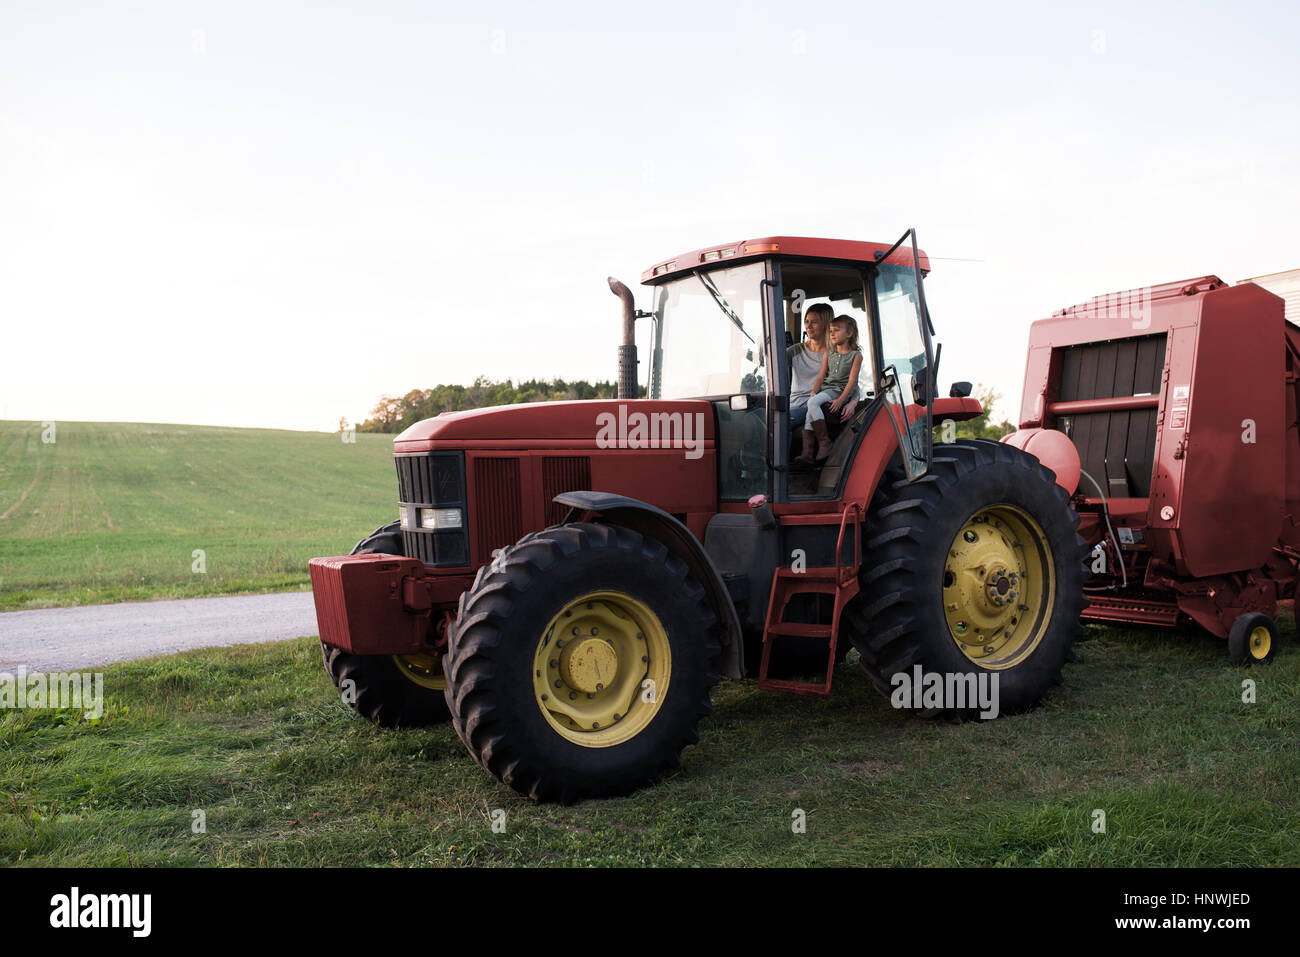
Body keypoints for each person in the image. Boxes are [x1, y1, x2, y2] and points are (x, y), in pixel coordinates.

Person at [795, 314, 863, 466]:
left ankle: (825, 443)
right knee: (809, 414)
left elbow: (852, 382)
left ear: (849, 333)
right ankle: (807, 453)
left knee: (811, 404)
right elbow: (821, 376)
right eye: (831, 330)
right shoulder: (829, 353)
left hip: (840, 391)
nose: (832, 333)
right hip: (827, 389)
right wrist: (814, 391)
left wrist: (841, 400)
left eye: (836, 330)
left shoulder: (856, 356)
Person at [787, 303, 832, 431]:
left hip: (814, 406)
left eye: (814, 322)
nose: (808, 326)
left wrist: (852, 402)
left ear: (826, 324)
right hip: (792, 405)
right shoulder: (795, 350)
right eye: (806, 321)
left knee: (781, 423)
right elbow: (771, 362)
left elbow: (849, 383)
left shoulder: (834, 354)